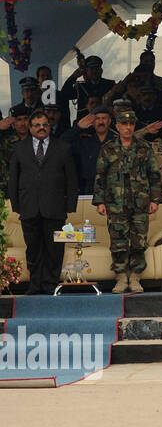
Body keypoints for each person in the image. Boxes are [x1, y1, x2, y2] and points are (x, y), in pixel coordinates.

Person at [8, 108, 80, 295]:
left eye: (45, 125)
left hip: (55, 208)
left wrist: (70, 205)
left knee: (54, 249)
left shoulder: (63, 147)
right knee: (33, 249)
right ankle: (35, 285)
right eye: (37, 125)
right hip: (28, 206)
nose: (41, 128)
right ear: (30, 128)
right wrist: (16, 205)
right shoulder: (19, 148)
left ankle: (50, 285)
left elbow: (72, 180)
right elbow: (13, 179)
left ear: (50, 126)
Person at [92, 109, 162, 294]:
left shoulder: (144, 147)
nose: (128, 127)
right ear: (117, 126)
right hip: (115, 202)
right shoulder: (108, 148)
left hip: (140, 202)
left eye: (131, 124)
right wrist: (100, 201)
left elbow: (154, 175)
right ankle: (121, 277)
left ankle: (136, 277)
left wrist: (155, 199)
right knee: (118, 241)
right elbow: (100, 176)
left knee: (138, 240)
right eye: (124, 124)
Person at [72, 109, 113, 196]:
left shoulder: (118, 141)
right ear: (92, 122)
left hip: (114, 188)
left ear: (109, 121)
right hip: (90, 187)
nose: (101, 122)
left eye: (104, 118)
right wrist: (78, 128)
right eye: (97, 119)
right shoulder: (85, 141)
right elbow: (63, 142)